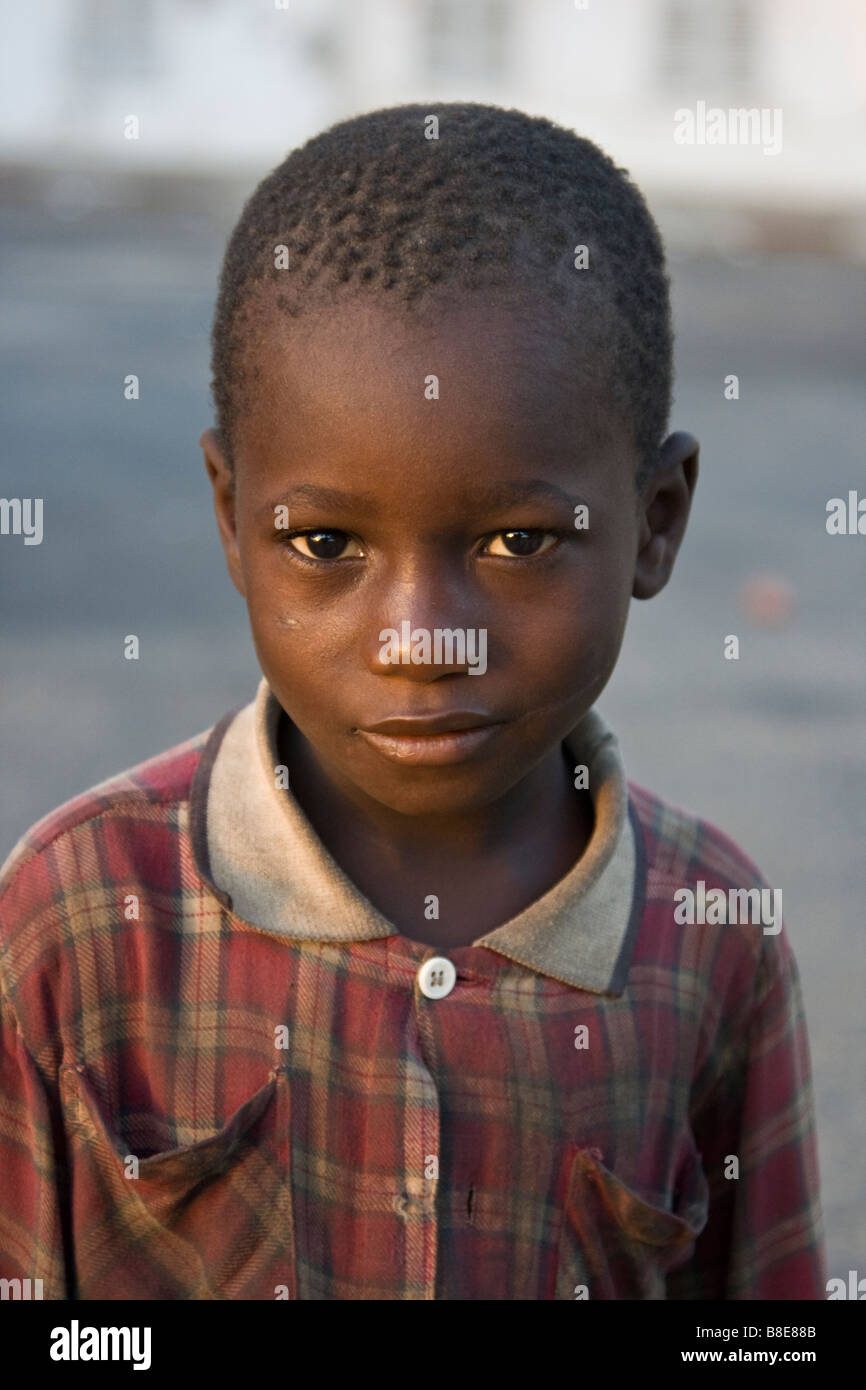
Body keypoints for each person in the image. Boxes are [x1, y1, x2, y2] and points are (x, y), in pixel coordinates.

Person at [0, 103, 825, 1299]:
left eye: (515, 539)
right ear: (233, 517)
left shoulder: (712, 941)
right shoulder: (74, 918)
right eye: (326, 541)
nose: (419, 639)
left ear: (653, 522)